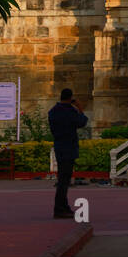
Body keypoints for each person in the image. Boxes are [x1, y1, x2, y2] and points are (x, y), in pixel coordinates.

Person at [48, 88, 88, 217]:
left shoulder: (53, 111)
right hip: (69, 147)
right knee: (64, 180)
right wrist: (79, 107)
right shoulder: (70, 111)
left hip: (59, 146)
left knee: (62, 179)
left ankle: (63, 206)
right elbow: (82, 122)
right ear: (70, 98)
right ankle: (59, 209)